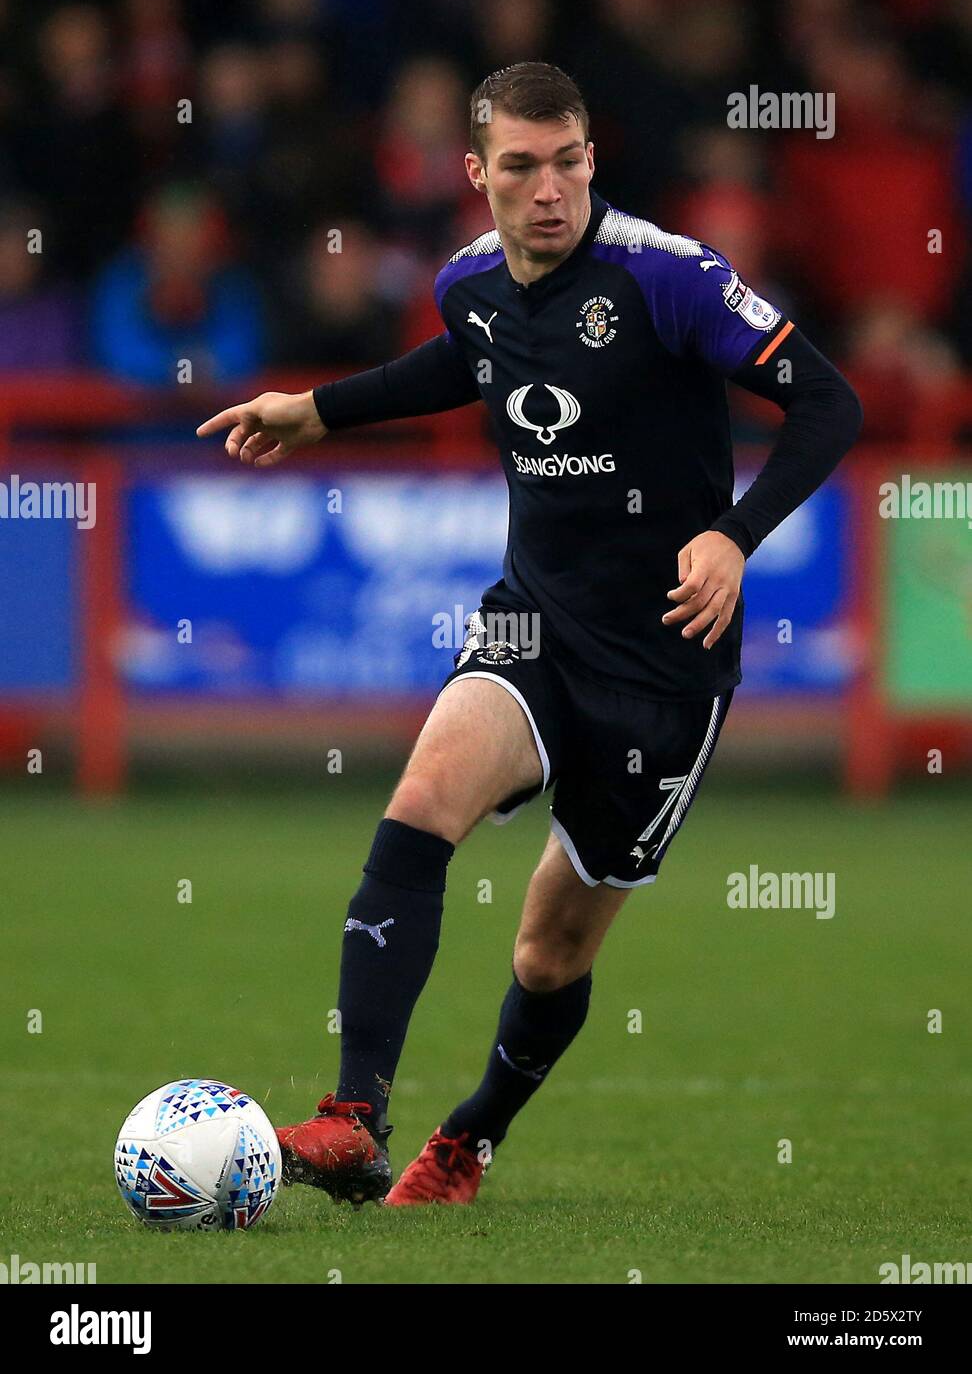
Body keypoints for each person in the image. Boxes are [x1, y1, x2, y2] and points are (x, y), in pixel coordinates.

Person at [196, 62, 862, 1207]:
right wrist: (316, 410)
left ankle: (470, 1138)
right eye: (520, 166)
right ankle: (355, 1114)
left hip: (667, 660)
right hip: (535, 623)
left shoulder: (670, 279)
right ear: (478, 173)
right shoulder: (467, 285)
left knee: (550, 951)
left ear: (592, 159)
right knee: (419, 802)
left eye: (567, 162)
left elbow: (830, 402)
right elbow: (461, 363)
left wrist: (735, 535)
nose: (547, 188)